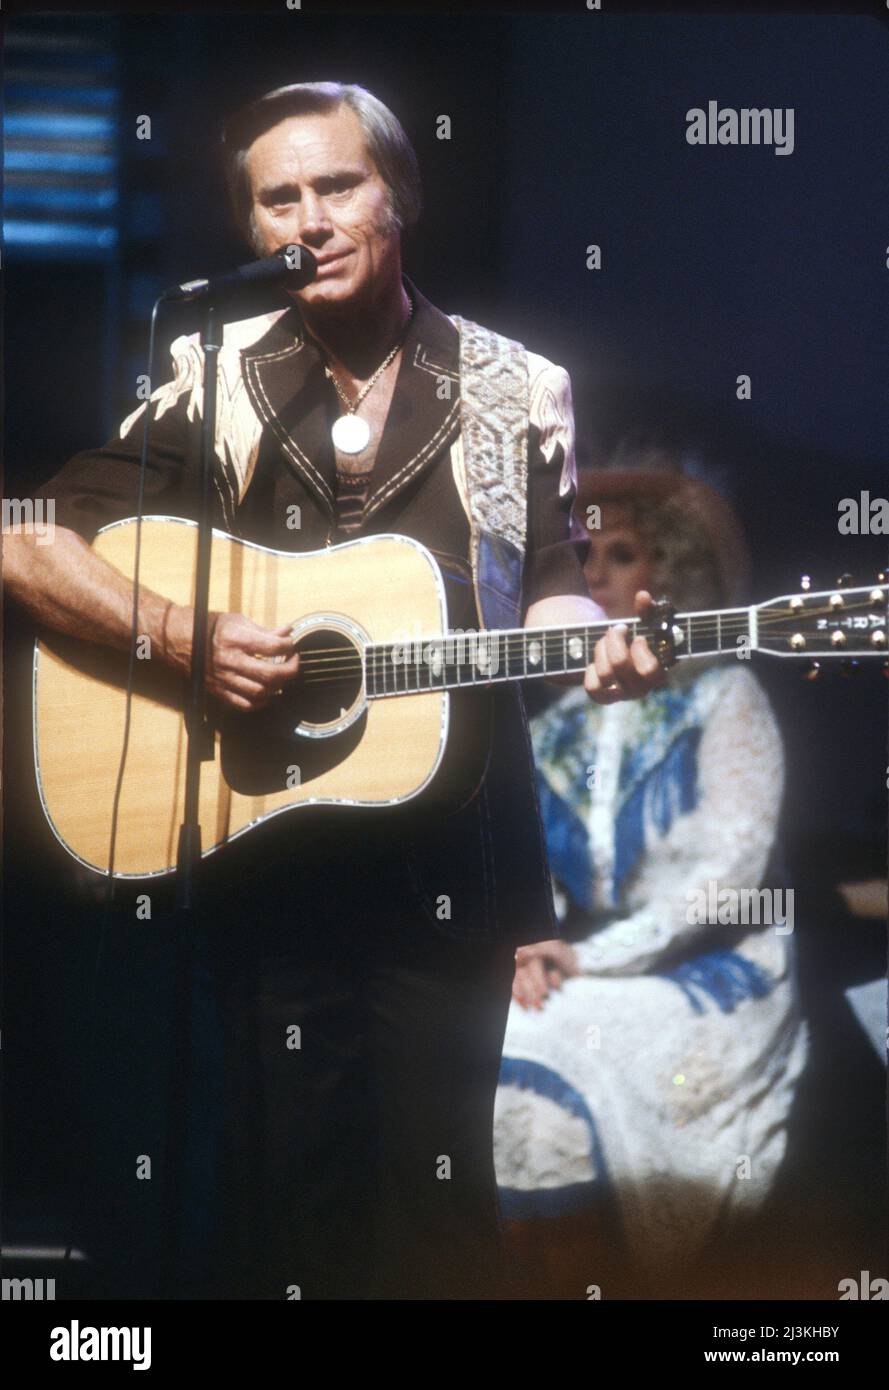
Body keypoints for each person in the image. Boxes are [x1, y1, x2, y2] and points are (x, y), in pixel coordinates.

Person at [5, 82, 666, 1300]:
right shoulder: (215, 378)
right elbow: (23, 538)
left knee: (436, 1211)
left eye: (337, 185)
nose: (307, 220)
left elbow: (551, 594)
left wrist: (598, 644)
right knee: (282, 1203)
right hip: (269, 845)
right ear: (251, 226)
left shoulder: (516, 385)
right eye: (278, 198)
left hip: (452, 860)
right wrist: (181, 635)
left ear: (397, 195)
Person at [493, 459, 810, 1299]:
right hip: (590, 972)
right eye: (581, 556)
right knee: (499, 1033)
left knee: (542, 1042)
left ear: (666, 574)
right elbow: (534, 871)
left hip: (717, 975)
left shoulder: (724, 696)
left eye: (621, 554)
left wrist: (583, 959)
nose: (594, 576)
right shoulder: (559, 725)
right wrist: (527, 948)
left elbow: (725, 880)